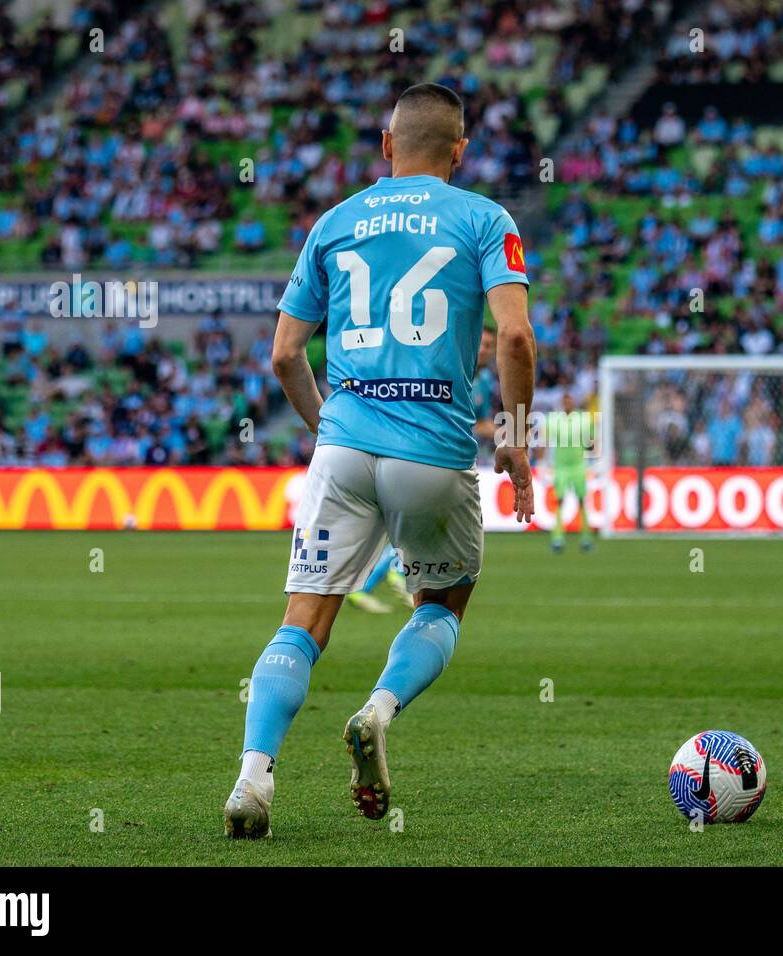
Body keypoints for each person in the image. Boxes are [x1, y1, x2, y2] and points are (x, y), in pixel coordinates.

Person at [224, 83, 536, 837]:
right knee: (441, 604)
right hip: (431, 451)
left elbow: (285, 354)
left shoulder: (334, 222)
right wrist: (516, 437)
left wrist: (328, 426)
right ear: (459, 153)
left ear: (386, 145)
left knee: (302, 622)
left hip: (344, 447)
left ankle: (253, 779)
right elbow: (517, 339)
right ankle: (379, 708)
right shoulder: (485, 219)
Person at [545, 391, 595, 552]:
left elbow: (591, 442)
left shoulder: (583, 419)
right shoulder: (554, 420)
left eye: (569, 400)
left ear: (573, 402)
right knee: (559, 501)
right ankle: (558, 538)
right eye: (565, 401)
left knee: (582, 501)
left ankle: (586, 537)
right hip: (561, 466)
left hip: (578, 465)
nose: (567, 404)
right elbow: (545, 441)